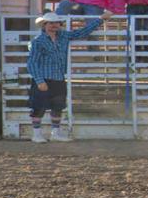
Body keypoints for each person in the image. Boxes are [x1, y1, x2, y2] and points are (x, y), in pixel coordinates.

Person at [26, 10, 112, 142]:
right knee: (39, 107)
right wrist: (39, 80)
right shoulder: (38, 41)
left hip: (59, 78)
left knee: (58, 106)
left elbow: (82, 32)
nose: (54, 25)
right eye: (50, 23)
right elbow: (32, 62)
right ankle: (36, 134)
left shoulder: (63, 36)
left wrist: (100, 19)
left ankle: (55, 133)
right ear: (44, 25)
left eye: (56, 23)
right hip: (44, 78)